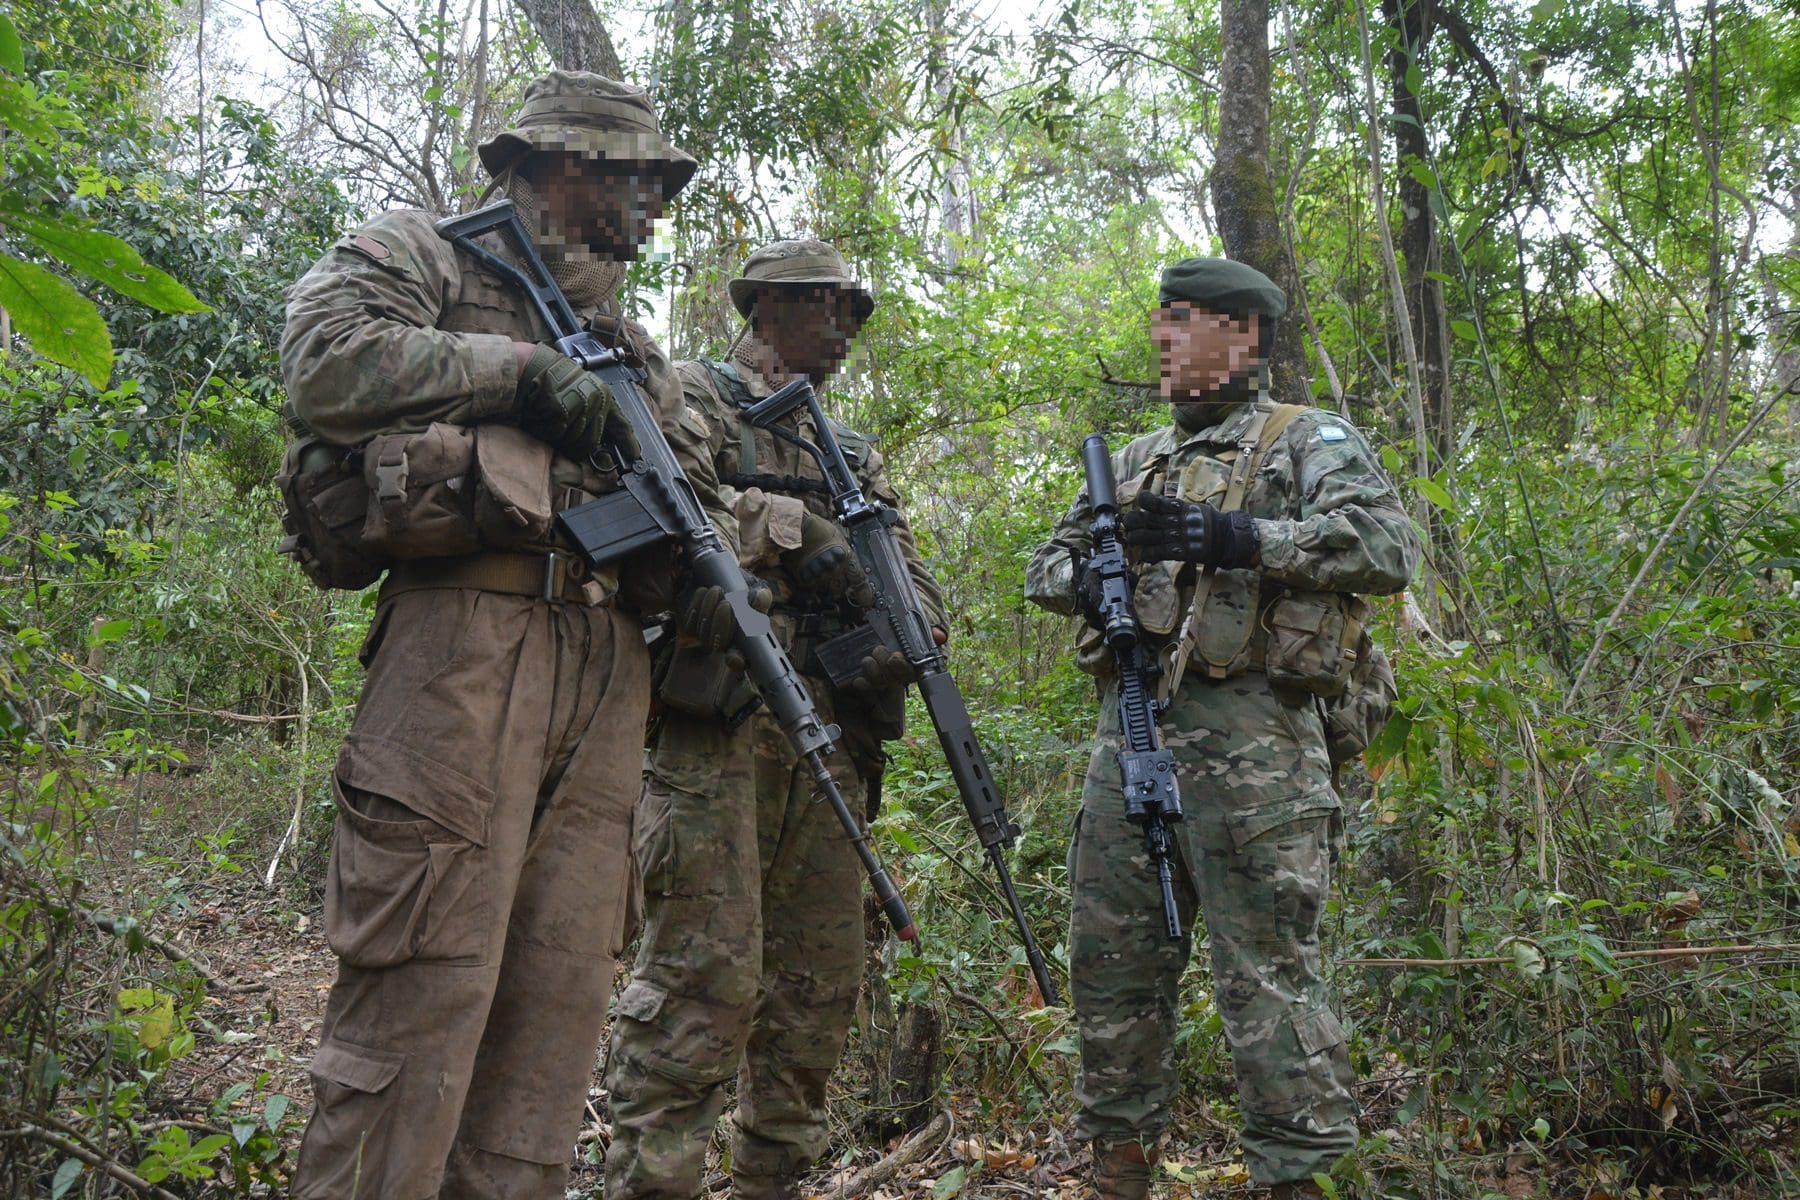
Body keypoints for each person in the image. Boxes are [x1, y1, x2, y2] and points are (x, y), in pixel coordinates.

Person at [279, 71, 725, 1200]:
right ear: (565, 165)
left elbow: (696, 494)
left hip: (607, 671)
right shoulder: (424, 254)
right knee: (417, 1000)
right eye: (638, 185)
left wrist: (726, 567)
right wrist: (518, 374)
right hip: (461, 655)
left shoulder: (631, 346)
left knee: (553, 1023)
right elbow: (325, 361)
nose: (651, 216)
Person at [1025, 258, 1420, 1200]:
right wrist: (1088, 579)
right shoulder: (1133, 462)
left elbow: (1388, 547)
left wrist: (1241, 539)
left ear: (1241, 336)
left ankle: (1301, 1177)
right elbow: (1045, 564)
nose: (1163, 342)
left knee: (1268, 980)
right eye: (1160, 323)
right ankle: (1118, 1170)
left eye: (1183, 323)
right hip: (1130, 744)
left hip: (1261, 753)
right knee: (1112, 973)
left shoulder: (1306, 439)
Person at [602, 239, 946, 1200]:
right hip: (721, 733)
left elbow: (920, 597)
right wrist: (799, 532)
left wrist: (890, 624)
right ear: (770, 306)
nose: (846, 328)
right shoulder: (693, 398)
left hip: (834, 748)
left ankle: (773, 1180)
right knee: (696, 990)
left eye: (854, 312)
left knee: (812, 1000)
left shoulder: (854, 454)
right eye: (832, 307)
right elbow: (672, 519)